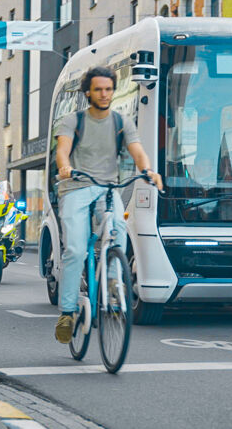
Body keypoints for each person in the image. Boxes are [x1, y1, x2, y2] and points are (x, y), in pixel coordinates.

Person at [52, 66, 163, 343]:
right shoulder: (72, 120)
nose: (104, 94)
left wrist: (148, 170)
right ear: (88, 92)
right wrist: (65, 167)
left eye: (109, 89)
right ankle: (67, 312)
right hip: (76, 187)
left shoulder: (121, 122)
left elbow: (137, 151)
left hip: (106, 187)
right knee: (76, 250)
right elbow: (62, 151)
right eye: (98, 89)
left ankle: (113, 283)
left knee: (118, 230)